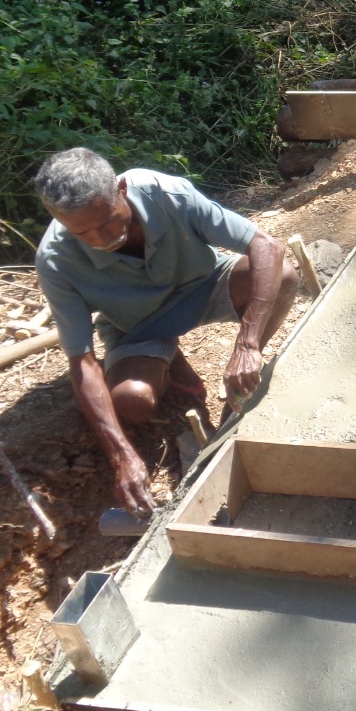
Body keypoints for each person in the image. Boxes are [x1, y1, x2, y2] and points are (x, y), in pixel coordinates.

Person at [33, 148, 300, 514]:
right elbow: (82, 361)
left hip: (204, 283)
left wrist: (248, 343)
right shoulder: (55, 260)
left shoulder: (165, 193)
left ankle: (239, 384)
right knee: (131, 403)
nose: (100, 239)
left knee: (282, 277)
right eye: (83, 233)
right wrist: (121, 456)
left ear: (122, 189)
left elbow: (266, 246)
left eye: (108, 221)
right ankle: (170, 361)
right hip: (138, 325)